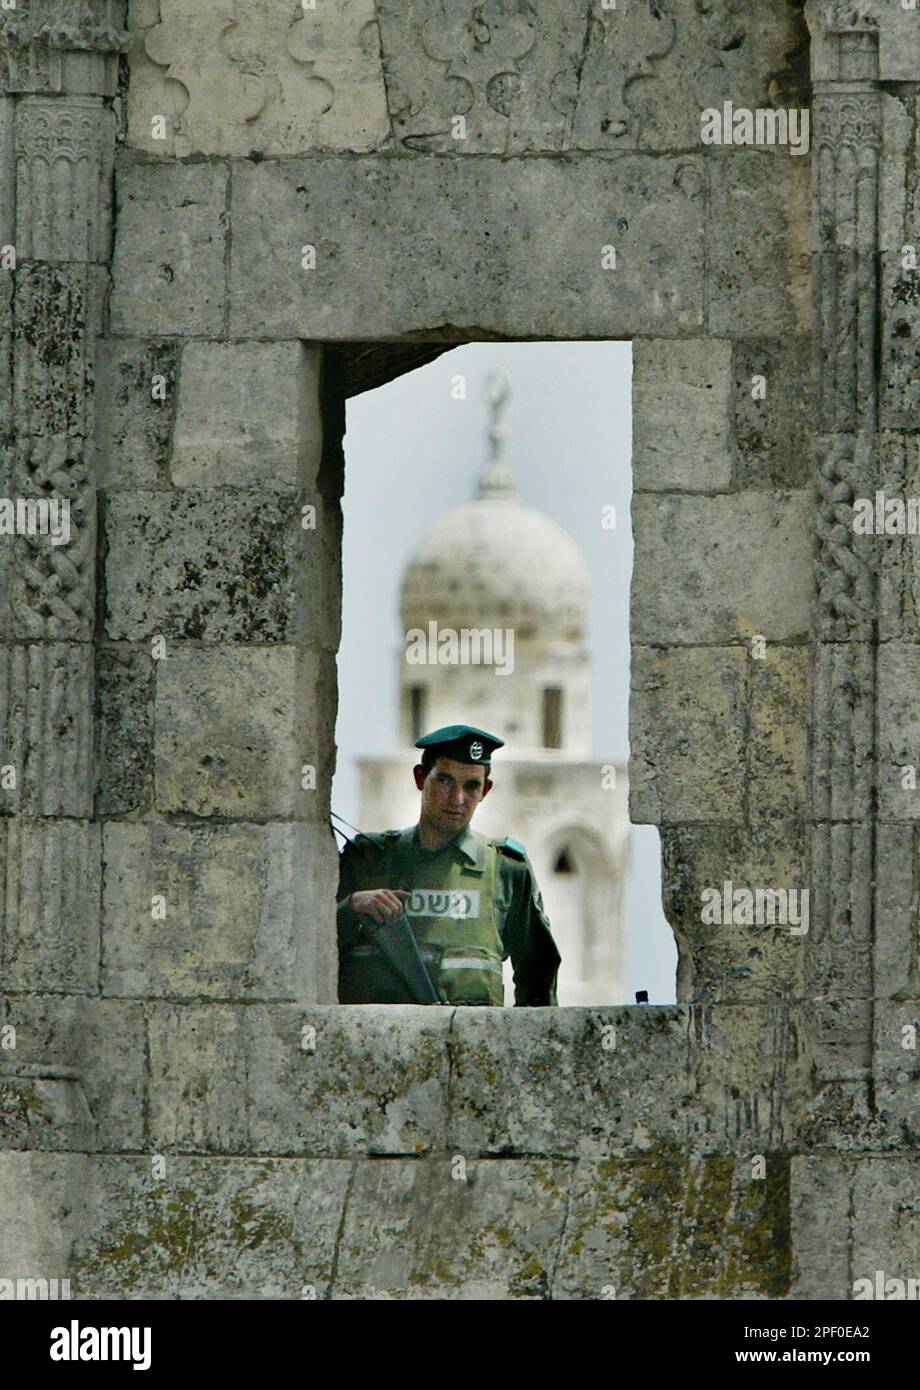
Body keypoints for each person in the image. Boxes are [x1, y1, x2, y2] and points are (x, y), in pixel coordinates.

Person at [336, 725, 561, 1006]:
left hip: (472, 1033)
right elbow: (308, 943)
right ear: (421, 778)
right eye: (445, 780)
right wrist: (352, 906)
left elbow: (539, 977)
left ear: (485, 790)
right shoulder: (368, 859)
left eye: (472, 786)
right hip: (376, 1033)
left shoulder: (506, 870)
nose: (458, 799)